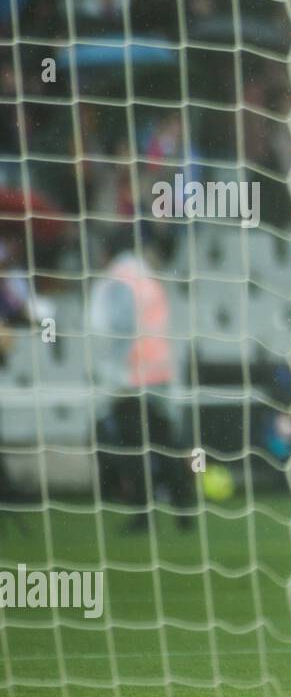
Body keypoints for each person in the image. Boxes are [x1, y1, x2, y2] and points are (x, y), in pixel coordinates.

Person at [89, 223, 195, 532]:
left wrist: (117, 373)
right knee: (166, 444)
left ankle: (142, 515)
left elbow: (122, 328)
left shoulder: (120, 280)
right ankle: (184, 512)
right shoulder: (148, 277)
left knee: (132, 449)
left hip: (133, 376)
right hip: (159, 371)